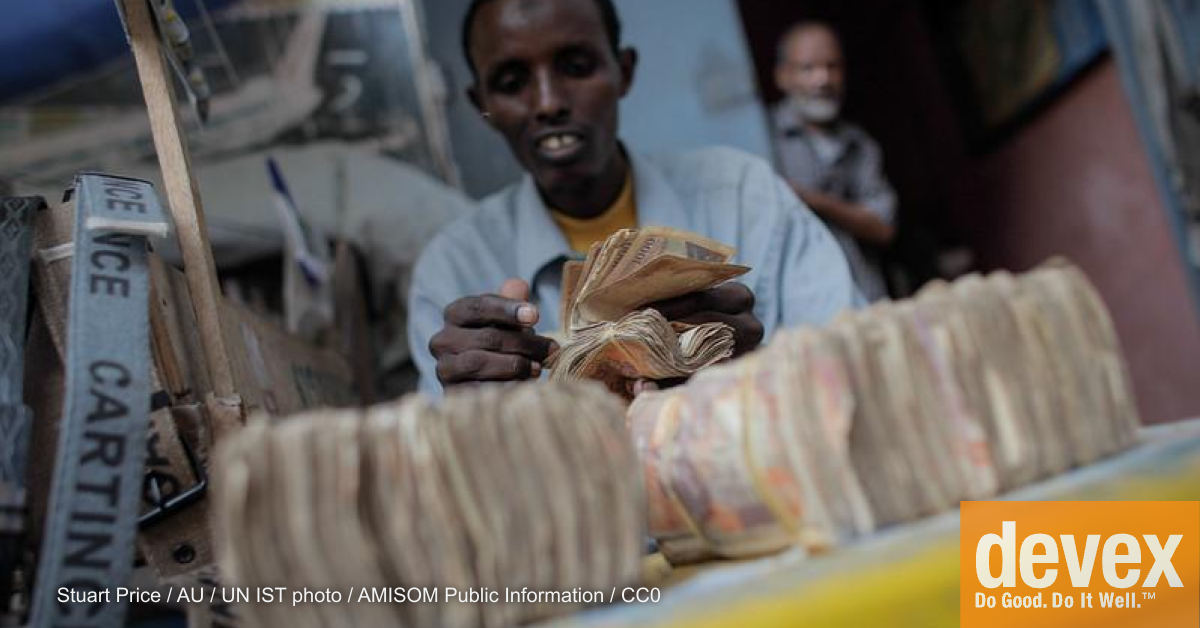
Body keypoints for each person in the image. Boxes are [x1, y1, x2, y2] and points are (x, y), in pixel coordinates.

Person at [407, 0, 858, 396]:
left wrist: (753, 371)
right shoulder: (452, 270)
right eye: (511, 81)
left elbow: (860, 360)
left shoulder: (745, 196)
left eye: (576, 66)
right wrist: (472, 424)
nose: (547, 103)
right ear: (481, 103)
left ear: (623, 72)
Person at [772, 21, 897, 302]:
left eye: (833, 67)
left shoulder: (859, 143)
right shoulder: (763, 136)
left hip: (866, 296)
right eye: (808, 68)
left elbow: (883, 227)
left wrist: (813, 199)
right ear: (783, 77)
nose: (823, 79)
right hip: (801, 306)